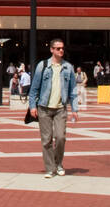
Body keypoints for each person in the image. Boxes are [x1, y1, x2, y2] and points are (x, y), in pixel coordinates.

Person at [28, 38, 79, 177]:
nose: (61, 50)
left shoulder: (68, 67)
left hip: (60, 108)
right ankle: (50, 168)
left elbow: (73, 90)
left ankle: (58, 163)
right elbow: (34, 88)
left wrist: (74, 109)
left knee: (60, 137)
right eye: (58, 48)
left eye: (62, 48)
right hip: (44, 108)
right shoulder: (42, 66)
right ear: (51, 50)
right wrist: (32, 106)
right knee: (47, 140)